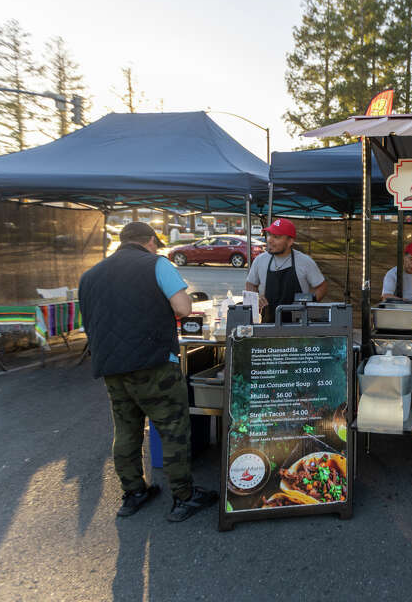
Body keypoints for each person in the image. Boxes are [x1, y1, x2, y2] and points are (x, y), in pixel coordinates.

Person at [79, 221, 218, 522]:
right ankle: (183, 496)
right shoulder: (157, 264)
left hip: (111, 366)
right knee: (173, 428)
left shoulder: (90, 275)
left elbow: (88, 322)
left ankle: (133, 492)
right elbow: (183, 308)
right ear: (151, 241)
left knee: (126, 430)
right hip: (153, 363)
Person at [245, 218, 328, 322]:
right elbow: (251, 284)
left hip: (299, 324)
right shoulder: (260, 260)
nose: (270, 240)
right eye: (270, 235)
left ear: (290, 242)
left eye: (276, 237)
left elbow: (322, 287)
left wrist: (309, 303)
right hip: (268, 324)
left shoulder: (305, 261)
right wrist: (255, 298)